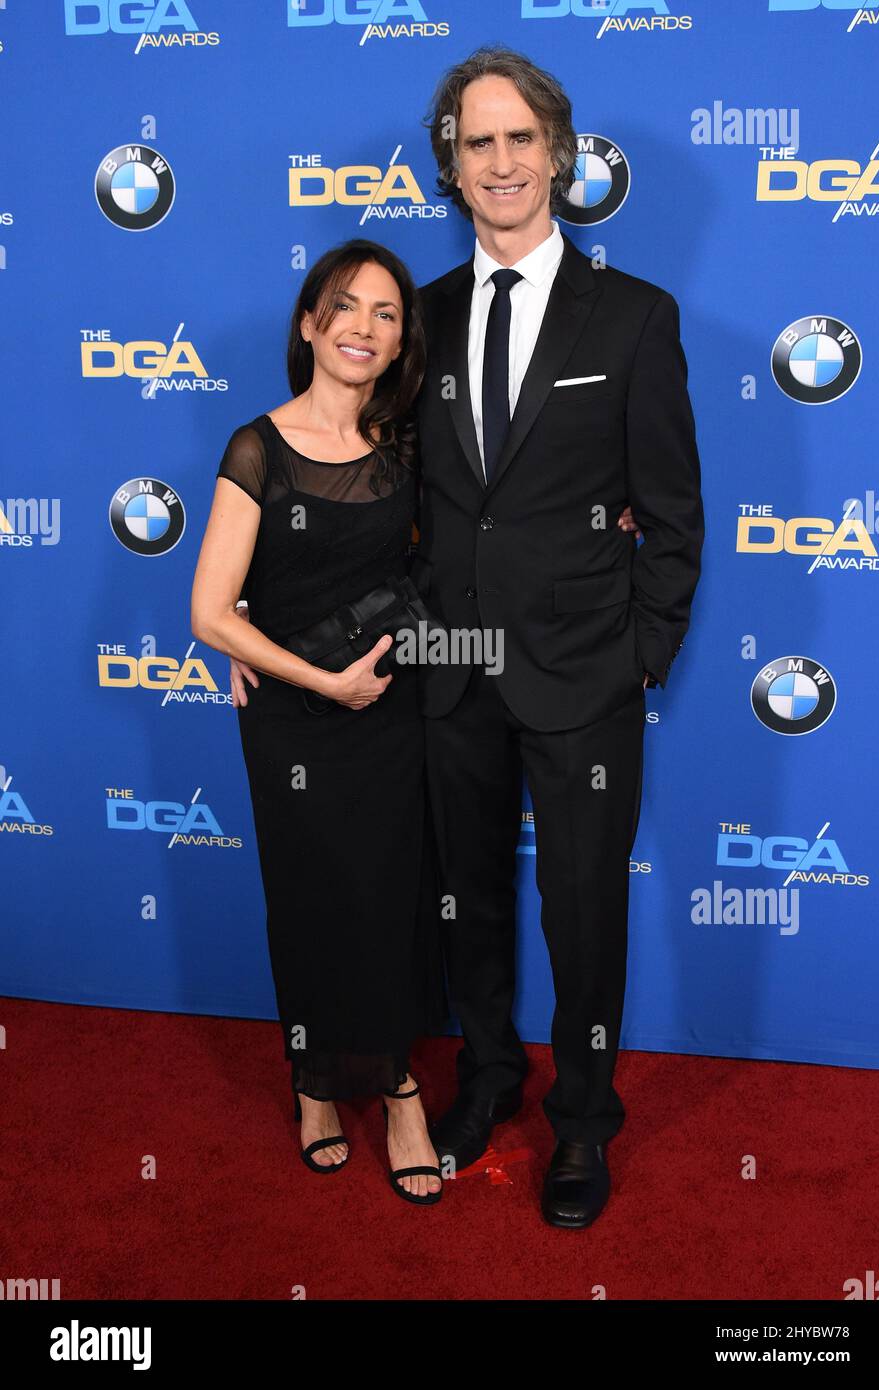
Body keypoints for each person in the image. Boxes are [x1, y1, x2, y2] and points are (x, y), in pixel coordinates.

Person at [411, 47, 705, 1228]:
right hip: (447, 668)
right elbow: (393, 501)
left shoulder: (635, 316)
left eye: (518, 138)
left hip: (587, 671)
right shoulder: (416, 318)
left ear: (560, 152)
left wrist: (641, 655)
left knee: (585, 911)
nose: (500, 162)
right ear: (452, 165)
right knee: (467, 899)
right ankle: (488, 1077)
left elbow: (675, 516)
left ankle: (583, 1120)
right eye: (476, 143)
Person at [191, 242, 446, 1204]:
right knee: (308, 898)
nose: (363, 327)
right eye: (345, 307)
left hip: (394, 715)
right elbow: (211, 612)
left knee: (390, 897)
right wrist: (311, 679)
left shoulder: (405, 446)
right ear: (309, 323)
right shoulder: (254, 447)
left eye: (385, 314)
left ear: (398, 341)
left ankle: (399, 1082)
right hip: (297, 721)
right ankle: (313, 1083)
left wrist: (618, 510)